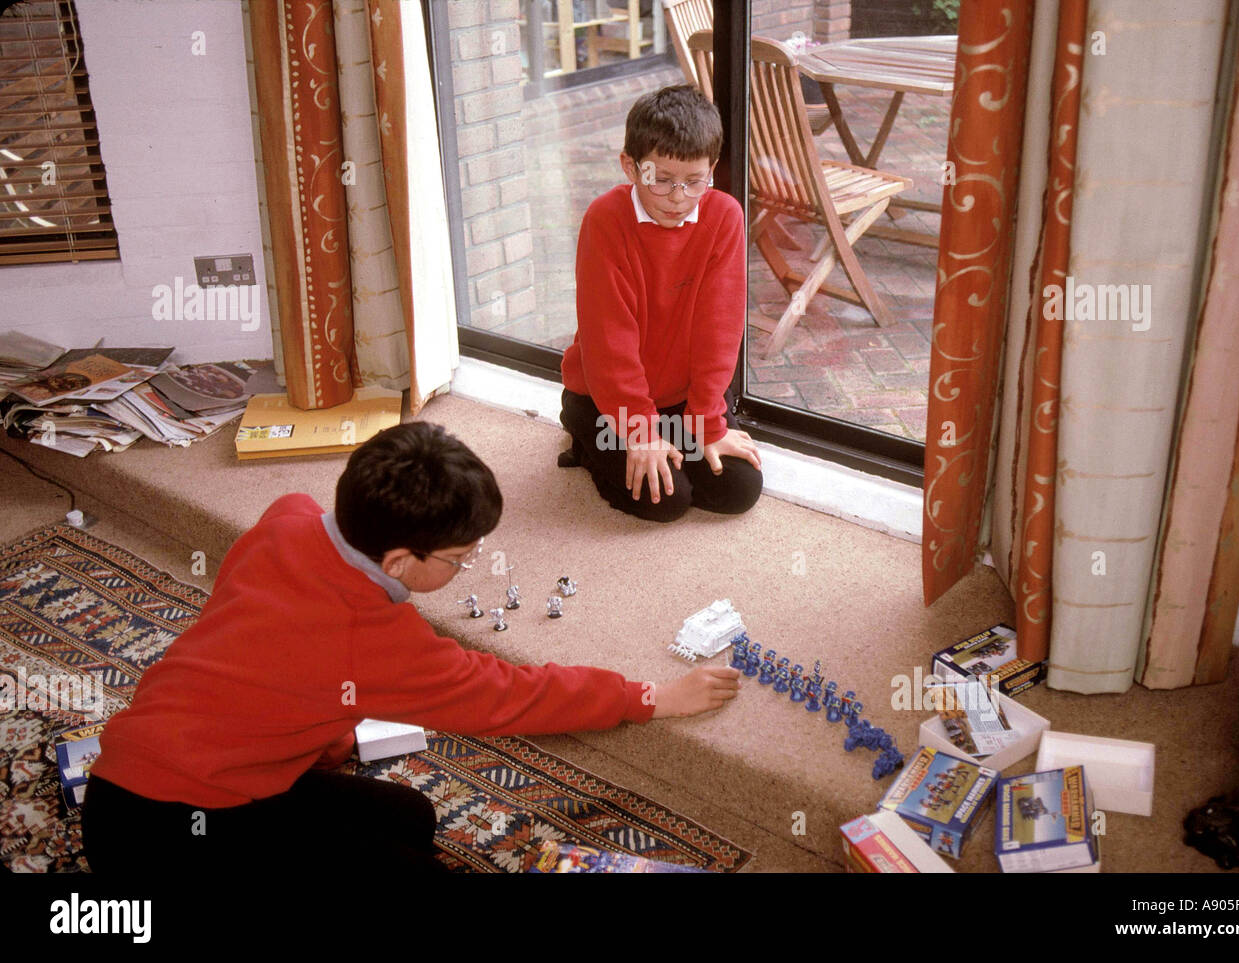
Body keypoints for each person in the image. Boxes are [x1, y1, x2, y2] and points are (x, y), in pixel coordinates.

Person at [82, 422, 740, 875]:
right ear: (398, 559)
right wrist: (649, 697)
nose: (469, 566)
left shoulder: (288, 517)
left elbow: (255, 645)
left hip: (146, 777)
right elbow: (513, 696)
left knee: (411, 815)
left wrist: (325, 734)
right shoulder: (375, 639)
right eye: (458, 558)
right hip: (164, 833)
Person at [559, 85, 763, 523]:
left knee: (739, 488)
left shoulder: (724, 216)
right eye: (662, 180)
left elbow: (720, 329)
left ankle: (668, 435)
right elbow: (609, 341)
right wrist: (638, 433)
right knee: (667, 501)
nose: (678, 197)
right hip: (605, 396)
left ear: (711, 169)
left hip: (681, 397)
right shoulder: (605, 220)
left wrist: (708, 425)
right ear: (630, 167)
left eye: (695, 181)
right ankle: (581, 428)